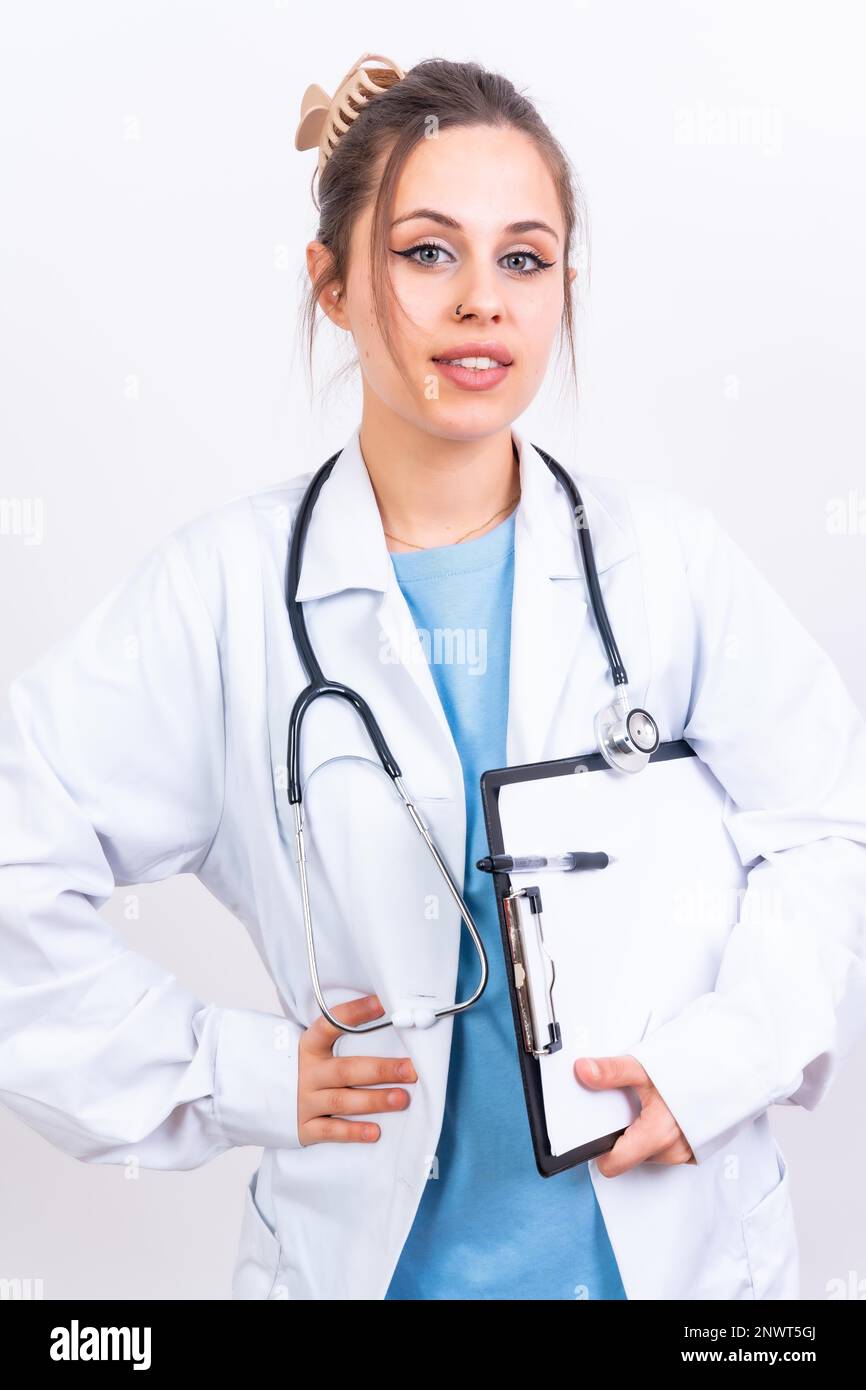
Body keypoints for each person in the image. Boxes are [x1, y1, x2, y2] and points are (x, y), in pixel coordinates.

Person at [1, 53, 865, 1302]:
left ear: (562, 286)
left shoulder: (668, 566)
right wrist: (229, 1069)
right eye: (424, 252)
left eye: (522, 258)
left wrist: (727, 1058)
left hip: (678, 1276)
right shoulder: (221, 596)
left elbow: (828, 828)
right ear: (333, 285)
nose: (481, 304)